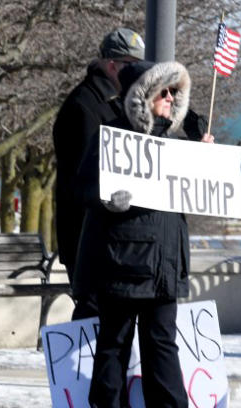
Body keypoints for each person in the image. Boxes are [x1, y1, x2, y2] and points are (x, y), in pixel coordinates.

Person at [74, 60, 241, 408]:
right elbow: (83, 188)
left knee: (161, 343)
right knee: (114, 342)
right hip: (122, 261)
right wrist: (107, 200)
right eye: (164, 91)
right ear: (143, 96)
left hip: (165, 263)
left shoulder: (181, 146)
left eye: (174, 92)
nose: (171, 98)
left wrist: (240, 167)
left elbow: (212, 184)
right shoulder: (112, 140)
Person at [52, 27, 144, 320]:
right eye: (133, 65)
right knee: (93, 314)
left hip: (109, 237)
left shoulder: (115, 103)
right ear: (113, 65)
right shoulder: (84, 106)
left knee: (108, 319)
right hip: (87, 237)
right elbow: (83, 177)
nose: (140, 73)